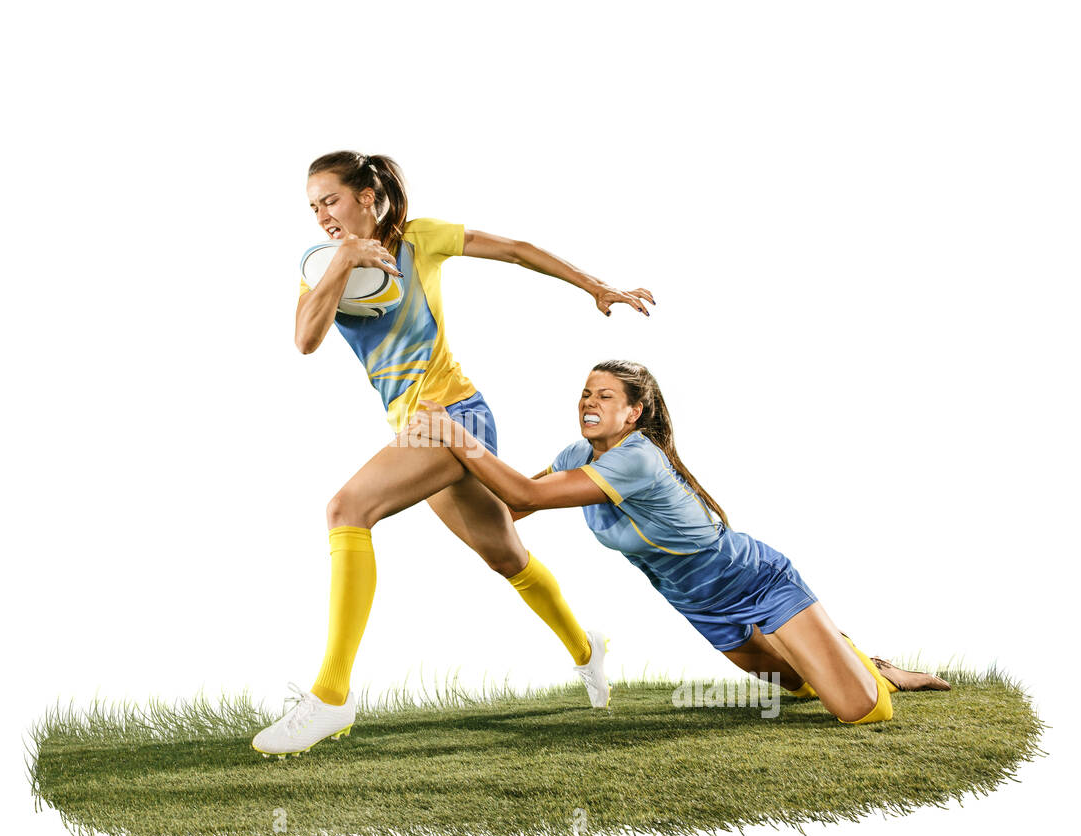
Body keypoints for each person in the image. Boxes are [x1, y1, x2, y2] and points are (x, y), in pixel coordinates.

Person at [251, 153, 656, 757]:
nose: (321, 216)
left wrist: (596, 286)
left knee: (346, 509)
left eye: (329, 200)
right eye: (312, 207)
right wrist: (340, 264)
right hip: (418, 428)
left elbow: (515, 248)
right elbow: (305, 340)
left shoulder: (418, 241)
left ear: (367, 196)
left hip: (456, 416)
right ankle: (585, 648)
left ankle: (330, 696)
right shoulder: (321, 266)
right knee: (506, 555)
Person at [404, 359, 950, 726]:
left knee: (860, 712)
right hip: (696, 604)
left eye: (605, 395)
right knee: (797, 687)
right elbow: (510, 509)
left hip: (756, 580)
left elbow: (522, 491)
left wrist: (456, 434)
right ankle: (834, 655)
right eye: (584, 394)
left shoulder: (637, 456)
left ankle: (877, 670)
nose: (588, 402)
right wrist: (431, 481)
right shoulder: (576, 455)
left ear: (634, 412)